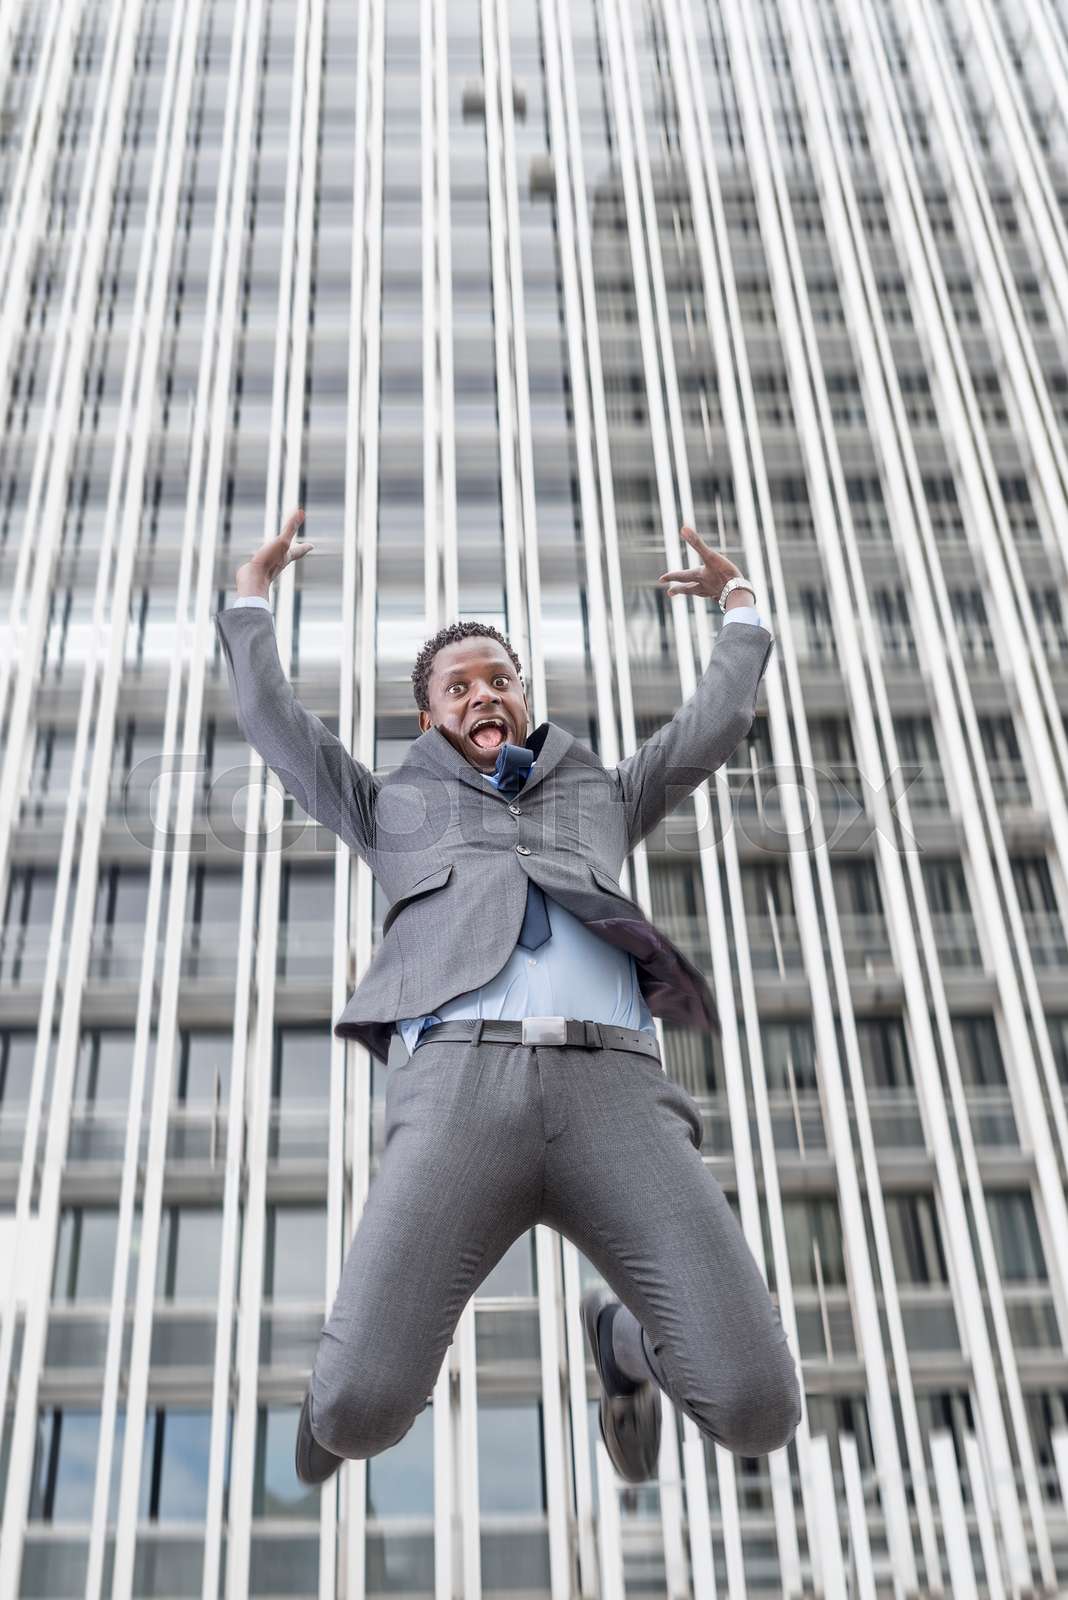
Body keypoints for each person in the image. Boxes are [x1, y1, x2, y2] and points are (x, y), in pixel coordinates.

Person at [214, 507, 802, 1489]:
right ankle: (350, 1389)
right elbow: (277, 722)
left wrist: (739, 602)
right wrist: (250, 596)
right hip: (456, 1090)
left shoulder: (605, 795)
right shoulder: (386, 805)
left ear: (521, 697)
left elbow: (716, 722)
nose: (483, 691)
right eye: (459, 684)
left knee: (758, 1406)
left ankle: (622, 1345)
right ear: (431, 715)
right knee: (357, 1409)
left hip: (616, 1092)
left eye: (500, 677)